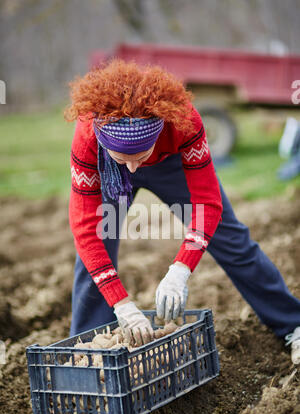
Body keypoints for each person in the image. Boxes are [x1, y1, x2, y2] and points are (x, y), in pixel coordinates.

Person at [64, 59, 300, 364]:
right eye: (126, 159)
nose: (135, 168)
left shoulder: (183, 120)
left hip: (170, 164)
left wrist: (181, 269)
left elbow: (208, 204)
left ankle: (293, 324)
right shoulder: (89, 138)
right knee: (94, 254)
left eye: (140, 157)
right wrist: (120, 302)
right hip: (109, 171)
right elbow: (84, 229)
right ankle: (90, 354)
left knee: (232, 240)